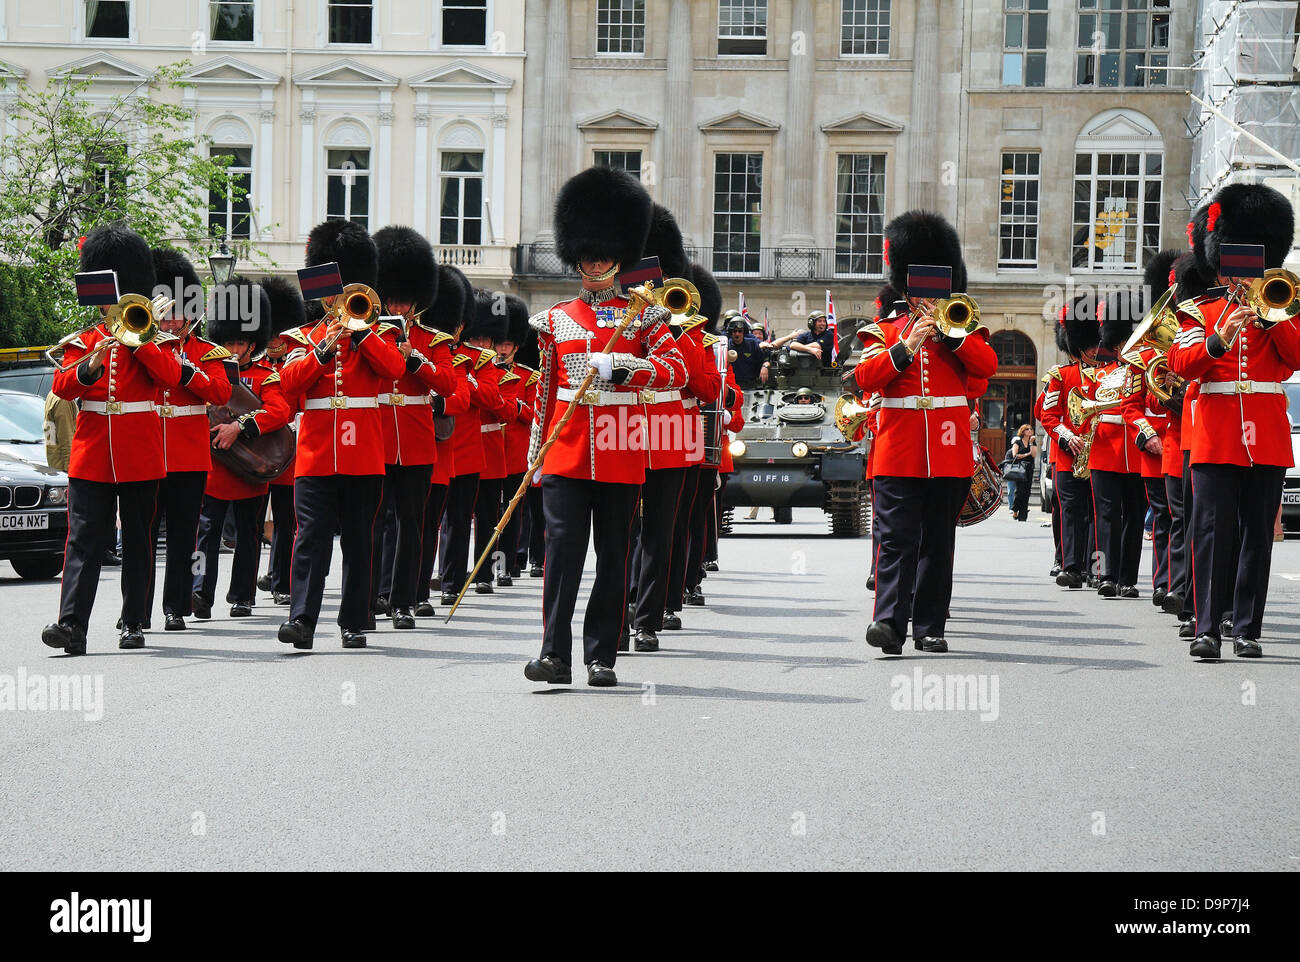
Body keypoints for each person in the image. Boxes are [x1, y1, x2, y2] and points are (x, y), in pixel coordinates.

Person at [522, 166, 687, 688]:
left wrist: (633, 368)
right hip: (566, 452)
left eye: (604, 250)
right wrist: (534, 460)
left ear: (621, 253)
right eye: (588, 252)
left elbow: (677, 372)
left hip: (621, 450)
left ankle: (602, 655)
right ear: (577, 253)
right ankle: (554, 653)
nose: (595, 260)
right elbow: (545, 392)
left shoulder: (647, 319)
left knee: (613, 555)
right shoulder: (552, 321)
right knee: (562, 552)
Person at [857, 211, 997, 654]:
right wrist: (907, 345)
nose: (926, 297)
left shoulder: (962, 330)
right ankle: (888, 623)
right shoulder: (884, 331)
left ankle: (930, 627)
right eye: (919, 287)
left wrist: (953, 337)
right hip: (899, 451)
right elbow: (866, 378)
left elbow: (985, 370)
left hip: (948, 452)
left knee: (938, 542)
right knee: (897, 540)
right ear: (906, 285)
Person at [41, 223, 186, 654]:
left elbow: (173, 377)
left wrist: (139, 341)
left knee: (138, 540)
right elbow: (64, 385)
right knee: (82, 540)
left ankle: (134, 621)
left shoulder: (153, 341)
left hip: (139, 452)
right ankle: (72, 626)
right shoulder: (83, 342)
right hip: (92, 455)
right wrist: (93, 361)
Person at [1168, 182, 1299, 659]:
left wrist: (1272, 316)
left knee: (1256, 537)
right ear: (1222, 262)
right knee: (1209, 535)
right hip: (1216, 437)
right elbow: (1181, 364)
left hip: (1265, 438)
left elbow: (1296, 357)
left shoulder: (1282, 310)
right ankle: (1207, 628)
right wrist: (1219, 339)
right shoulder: (1200, 312)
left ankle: (1247, 627)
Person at [276, 221, 406, 651]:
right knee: (309, 535)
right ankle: (302, 619)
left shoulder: (379, 335)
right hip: (316, 454)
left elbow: (395, 370)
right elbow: (290, 382)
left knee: (359, 537)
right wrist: (323, 349)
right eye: (333, 293)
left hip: (363, 453)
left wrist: (362, 334)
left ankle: (355, 619)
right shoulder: (306, 337)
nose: (337, 301)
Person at [369, 225, 459, 629]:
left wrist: (415, 359)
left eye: (406, 298)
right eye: (394, 297)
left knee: (411, 523)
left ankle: (404, 599)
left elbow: (448, 384)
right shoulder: (368, 333)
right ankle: (374, 592)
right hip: (377, 437)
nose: (399, 304)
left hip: (417, 440)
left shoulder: (433, 339)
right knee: (374, 520)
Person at [145, 247, 236, 631]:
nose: (172, 320)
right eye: (166, 313)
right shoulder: (143, 346)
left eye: (179, 312)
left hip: (187, 455)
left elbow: (220, 393)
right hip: (148, 451)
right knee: (143, 537)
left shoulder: (207, 352)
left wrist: (185, 371)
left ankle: (175, 606)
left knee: (183, 536)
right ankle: (137, 609)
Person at [192, 279, 291, 618]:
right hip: (216, 465)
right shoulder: (209, 369)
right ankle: (199, 593)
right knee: (205, 534)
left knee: (248, 536)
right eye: (229, 342)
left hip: (249, 466)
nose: (233, 349)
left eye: (240, 343)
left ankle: (242, 595)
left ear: (252, 345)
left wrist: (241, 426)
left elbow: (279, 411)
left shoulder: (266, 375)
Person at [257, 276, 307, 606]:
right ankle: (272, 573)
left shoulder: (295, 361)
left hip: (290, 448)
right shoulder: (258, 363)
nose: (275, 340)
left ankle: (282, 581)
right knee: (259, 518)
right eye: (270, 333)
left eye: (278, 333)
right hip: (257, 449)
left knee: (288, 520)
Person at [770, 311, 837, 367]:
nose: (823, 323)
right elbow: (793, 345)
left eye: (824, 321)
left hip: (823, 372)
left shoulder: (829, 334)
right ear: (812, 323)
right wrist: (810, 349)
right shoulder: (806, 335)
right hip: (802, 371)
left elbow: (817, 346)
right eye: (819, 321)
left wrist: (799, 348)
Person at [1005, 424, 1037, 521]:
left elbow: (1034, 455)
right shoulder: (1017, 442)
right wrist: (1027, 454)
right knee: (1020, 491)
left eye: (1031, 429)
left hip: (1029, 469)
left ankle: (1023, 516)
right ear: (1023, 431)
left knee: (1027, 492)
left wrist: (1031, 443)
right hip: (1020, 469)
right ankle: (1015, 509)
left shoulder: (1033, 442)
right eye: (1027, 429)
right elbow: (1015, 455)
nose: (1030, 430)